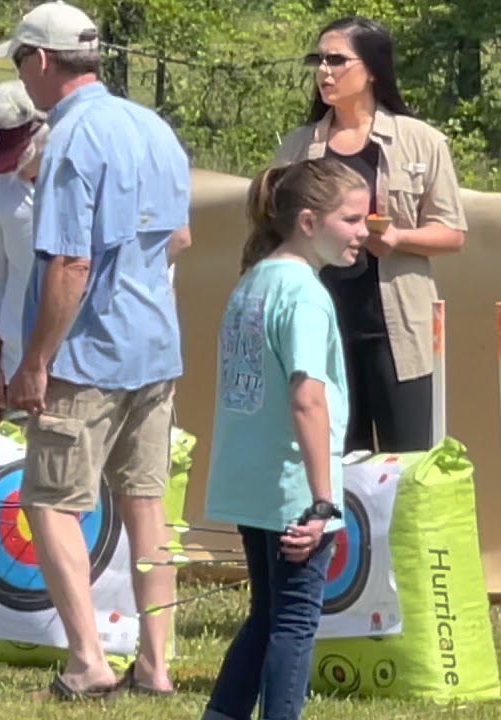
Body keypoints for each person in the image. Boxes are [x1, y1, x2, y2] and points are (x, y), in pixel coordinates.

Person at [0, 0, 191, 700]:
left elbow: (69, 265)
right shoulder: (154, 126)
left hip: (85, 355)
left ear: (41, 61)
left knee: (50, 501)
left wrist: (36, 360)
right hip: (156, 345)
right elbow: (179, 241)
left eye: (21, 63)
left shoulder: (70, 140)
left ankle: (87, 660)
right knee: (147, 506)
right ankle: (158, 665)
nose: (22, 78)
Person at [202, 157, 369, 720]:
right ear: (307, 221)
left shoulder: (254, 281)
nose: (363, 232)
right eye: (350, 220)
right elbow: (307, 397)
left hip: (252, 481)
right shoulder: (303, 294)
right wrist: (323, 501)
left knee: (268, 613)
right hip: (291, 484)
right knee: (295, 621)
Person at [274, 16, 467, 454]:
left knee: (408, 466)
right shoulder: (299, 147)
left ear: (373, 69)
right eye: (318, 60)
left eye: (337, 60)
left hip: (399, 332)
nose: (324, 71)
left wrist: (397, 238)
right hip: (320, 326)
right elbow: (272, 228)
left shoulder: (421, 141)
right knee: (335, 467)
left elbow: (453, 233)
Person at [0, 79, 48, 423]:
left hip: (84, 371)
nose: (7, 171)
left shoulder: (84, 178)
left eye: (14, 157)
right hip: (17, 373)